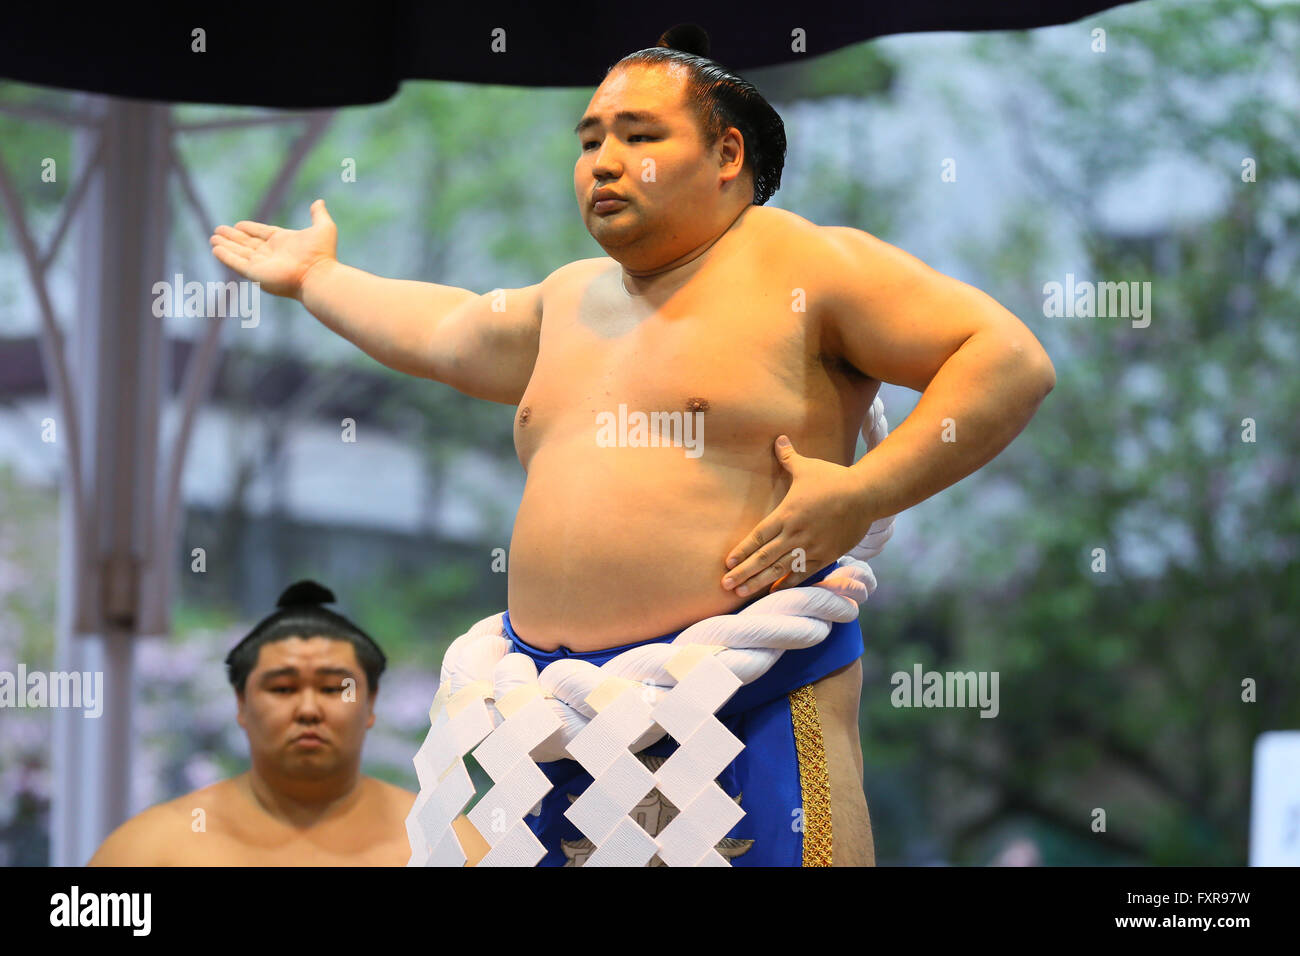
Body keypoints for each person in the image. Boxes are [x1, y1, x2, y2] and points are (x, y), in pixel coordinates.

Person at [208, 25, 1055, 866]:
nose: (603, 162)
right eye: (589, 140)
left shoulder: (802, 262)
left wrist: (867, 491)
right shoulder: (569, 299)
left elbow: (1006, 360)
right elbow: (446, 330)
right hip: (541, 724)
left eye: (638, 136)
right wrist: (319, 278)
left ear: (727, 154)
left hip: (740, 705)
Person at [88, 581, 417, 866]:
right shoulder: (148, 850)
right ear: (242, 704)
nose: (308, 710)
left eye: (332, 688)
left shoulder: (443, 842)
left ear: (370, 703)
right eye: (282, 689)